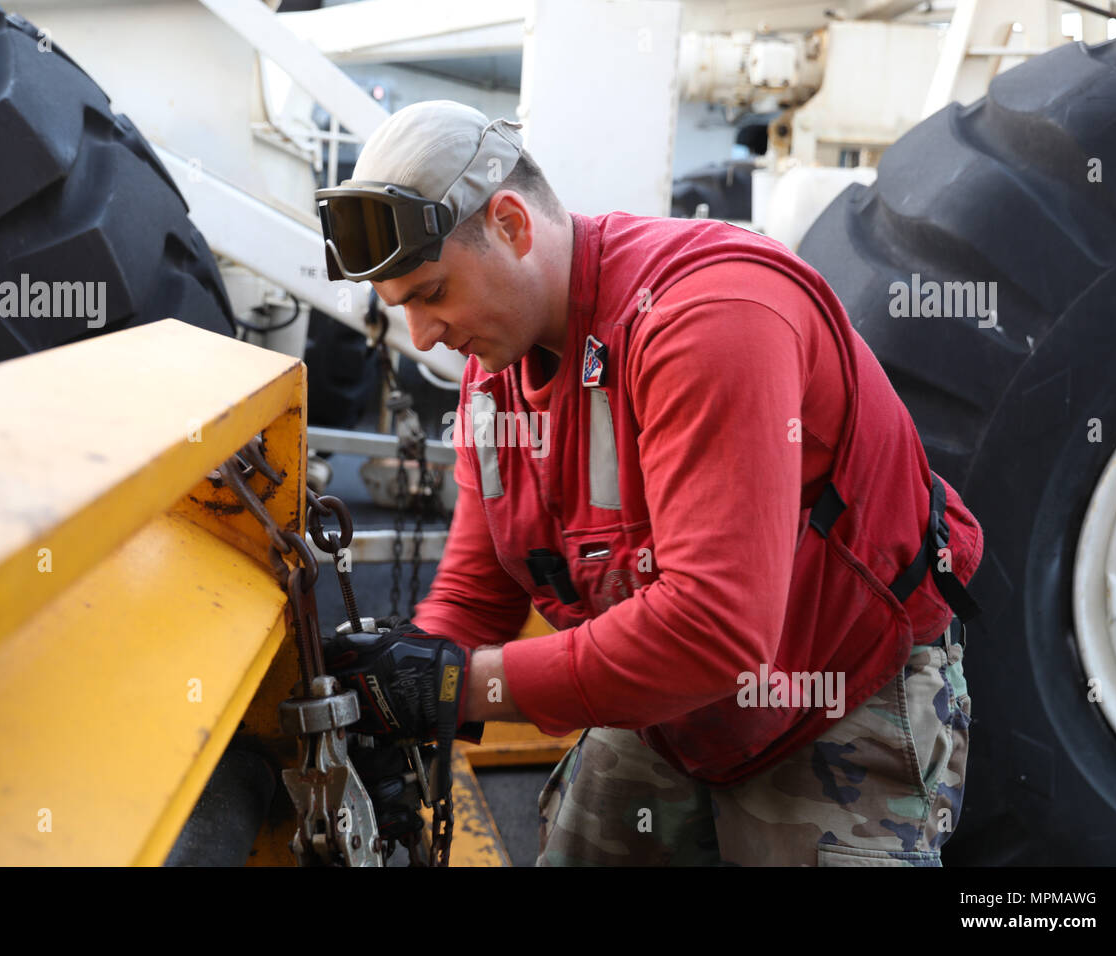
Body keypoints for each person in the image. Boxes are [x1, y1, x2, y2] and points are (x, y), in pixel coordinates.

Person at [315, 100, 983, 866]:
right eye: (403, 311)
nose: (424, 336)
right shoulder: (494, 378)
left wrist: (461, 688)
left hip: (835, 689)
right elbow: (476, 594)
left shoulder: (710, 319)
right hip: (675, 700)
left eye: (432, 294)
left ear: (511, 225)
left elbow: (714, 629)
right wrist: (395, 695)